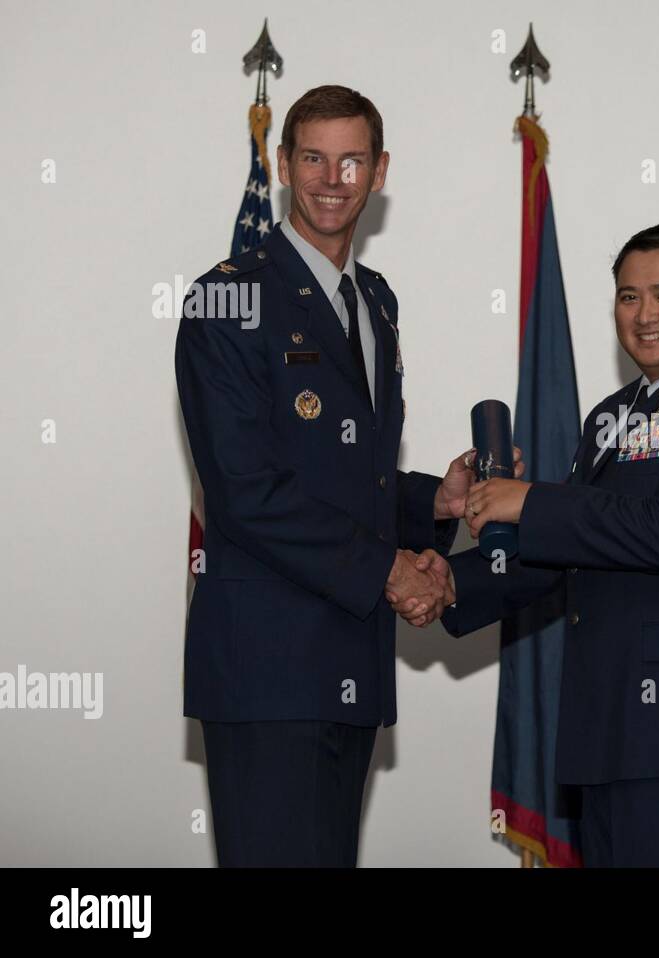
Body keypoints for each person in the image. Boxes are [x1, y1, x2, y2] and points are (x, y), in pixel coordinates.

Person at [176, 85, 502, 866]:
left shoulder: (375, 302)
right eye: (313, 158)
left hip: (348, 660)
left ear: (379, 170)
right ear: (284, 165)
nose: (332, 178)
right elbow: (245, 491)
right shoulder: (228, 300)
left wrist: (436, 502)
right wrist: (390, 567)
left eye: (351, 159)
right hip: (267, 669)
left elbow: (353, 478)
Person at [417, 224, 659, 866]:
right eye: (628, 296)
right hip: (607, 730)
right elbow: (577, 546)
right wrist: (454, 582)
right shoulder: (614, 416)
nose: (644, 315)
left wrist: (529, 499)